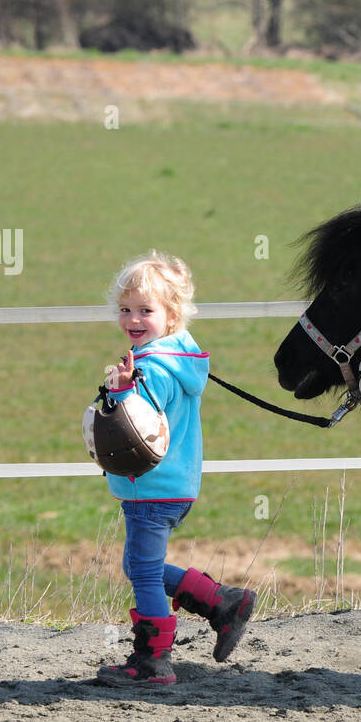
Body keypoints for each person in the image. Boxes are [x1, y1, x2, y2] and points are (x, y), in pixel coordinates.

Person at [95, 250, 256, 688]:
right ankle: (222, 602)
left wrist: (122, 393)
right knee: (138, 565)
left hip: (151, 486)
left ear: (172, 314)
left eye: (146, 310)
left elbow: (142, 425)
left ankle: (153, 661)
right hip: (172, 486)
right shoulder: (175, 357)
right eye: (126, 309)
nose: (133, 318)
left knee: (144, 571)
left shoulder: (154, 369)